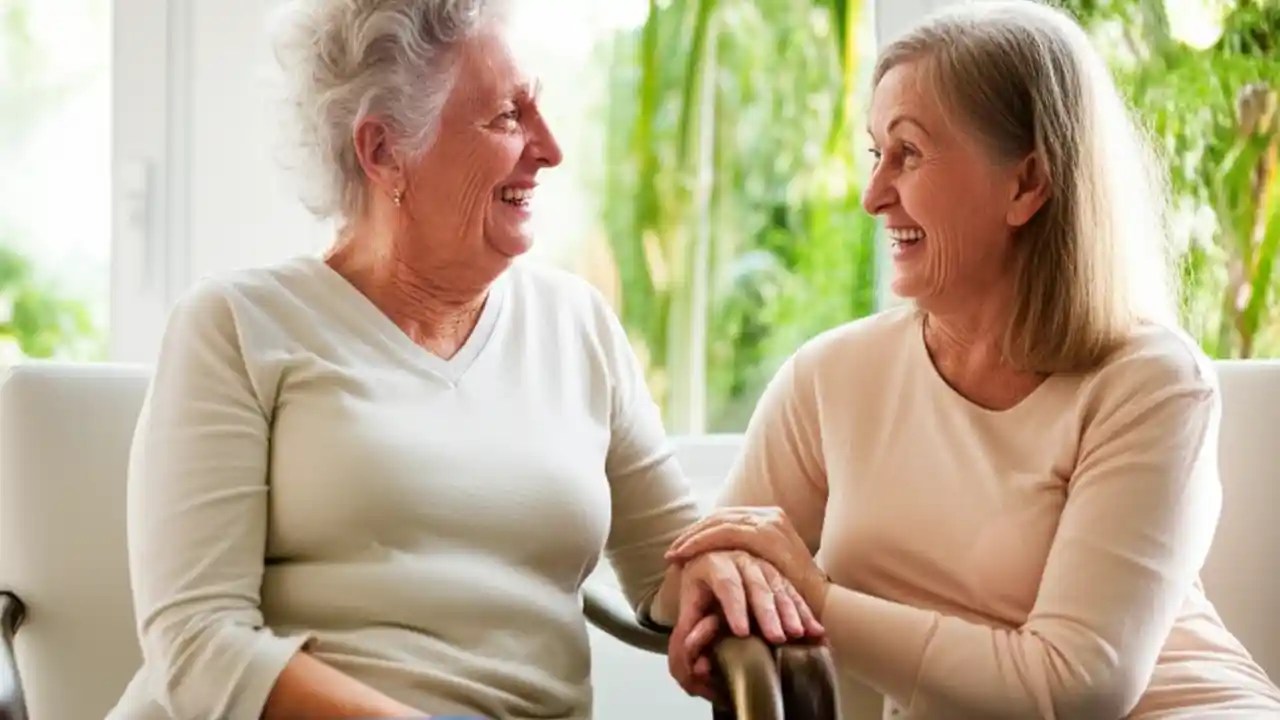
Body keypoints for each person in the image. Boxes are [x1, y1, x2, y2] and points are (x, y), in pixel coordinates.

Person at [107, 1, 822, 718]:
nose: (549, 148)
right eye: (508, 117)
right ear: (384, 150)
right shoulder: (237, 325)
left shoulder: (576, 327)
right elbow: (197, 644)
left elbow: (672, 564)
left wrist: (720, 570)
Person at [663, 2, 1280, 718]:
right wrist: (721, 571)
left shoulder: (1152, 384)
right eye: (875, 154)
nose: (873, 196)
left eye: (910, 154)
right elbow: (697, 577)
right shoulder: (831, 379)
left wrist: (820, 600)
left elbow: (1072, 689)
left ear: (1027, 184)